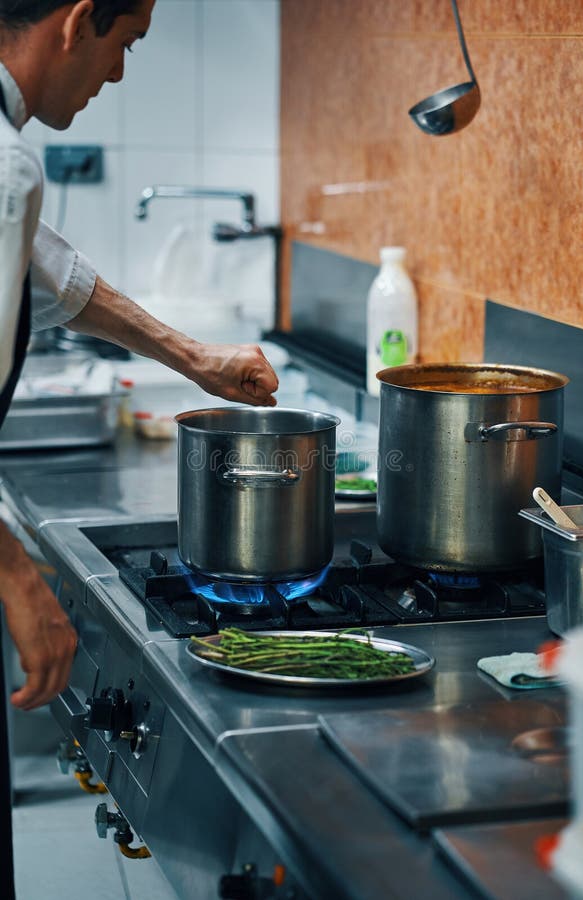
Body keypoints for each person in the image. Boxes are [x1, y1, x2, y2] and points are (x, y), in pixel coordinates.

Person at [0, 1, 279, 894]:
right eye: (125, 45)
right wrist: (14, 572)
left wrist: (193, 357)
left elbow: (45, 270)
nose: (118, 73)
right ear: (79, 22)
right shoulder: (7, 164)